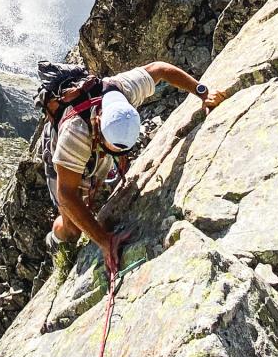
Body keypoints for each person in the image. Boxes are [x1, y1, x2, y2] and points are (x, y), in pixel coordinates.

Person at [44, 61, 224, 275]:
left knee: (91, 195)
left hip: (93, 141)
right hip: (64, 149)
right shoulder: (75, 133)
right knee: (73, 227)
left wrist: (202, 92)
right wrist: (104, 241)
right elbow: (66, 194)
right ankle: (54, 240)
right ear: (100, 122)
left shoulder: (123, 89)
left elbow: (160, 69)